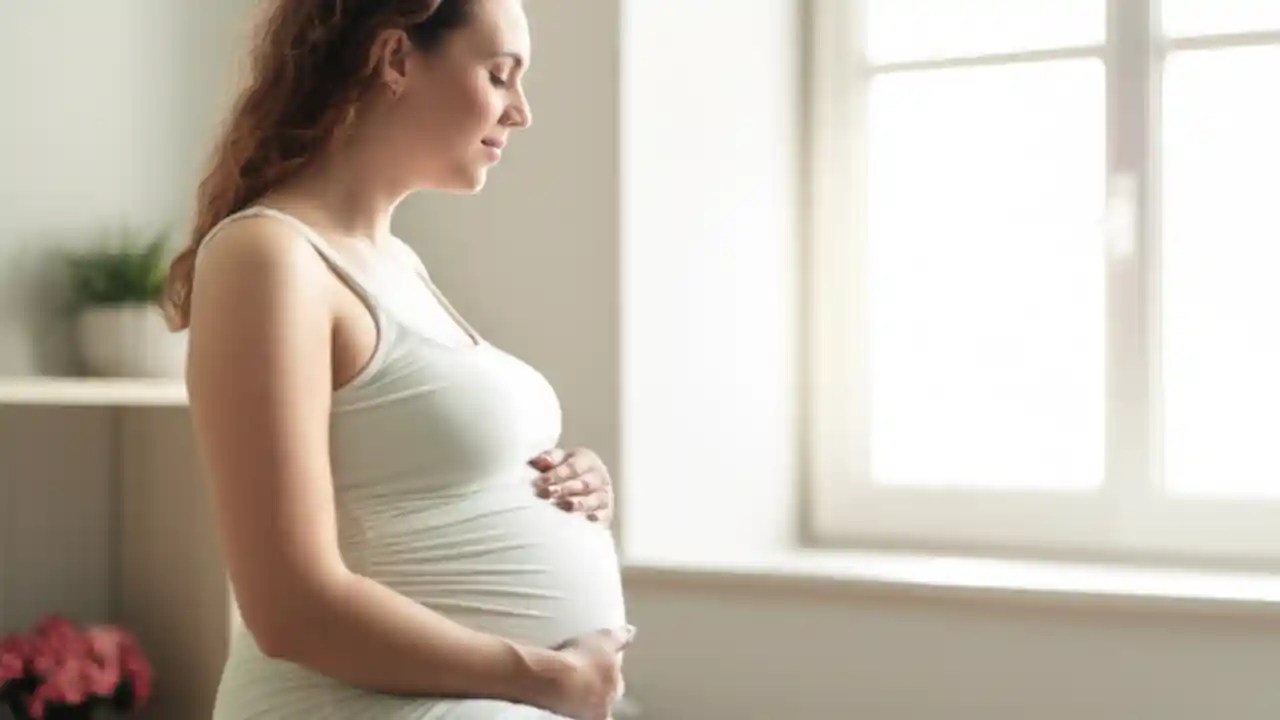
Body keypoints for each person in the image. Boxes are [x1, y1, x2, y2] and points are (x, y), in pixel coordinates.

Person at [161, 1, 632, 718]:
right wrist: (543, 676)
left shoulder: (396, 264)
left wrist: (565, 480)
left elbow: (415, 459)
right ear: (396, 61)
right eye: (500, 76)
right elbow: (291, 606)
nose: (521, 113)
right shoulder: (269, 257)